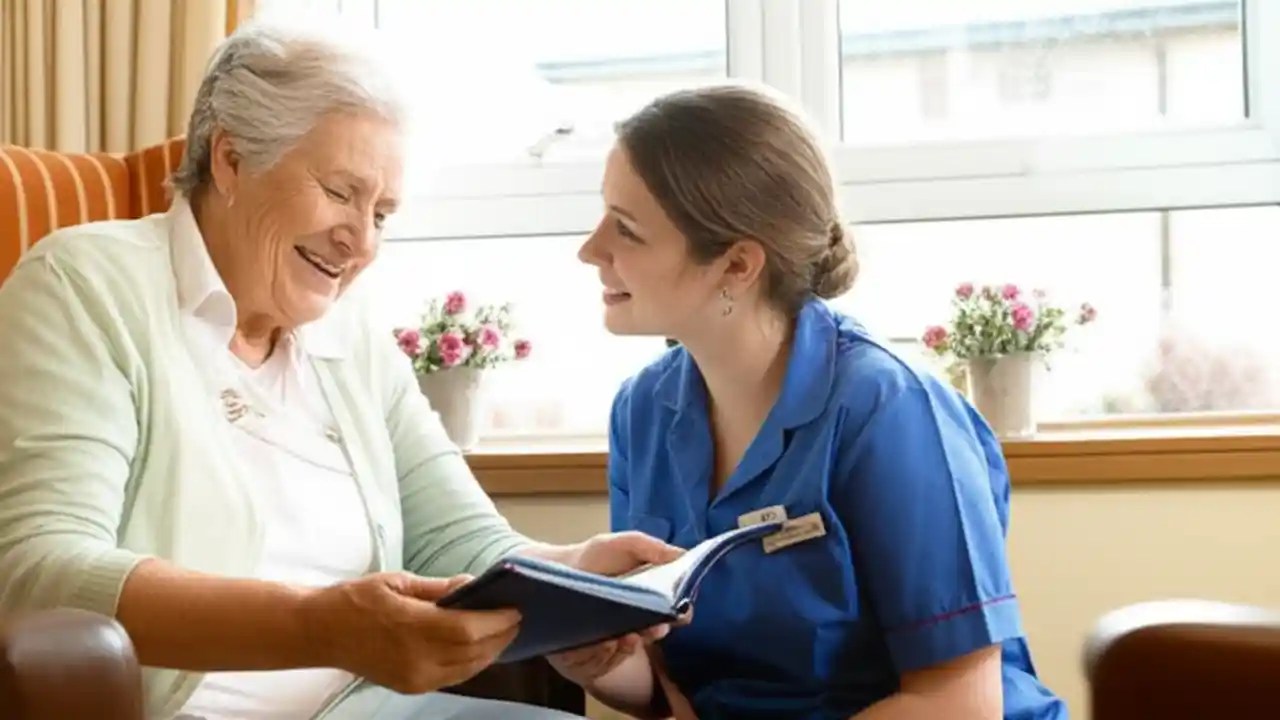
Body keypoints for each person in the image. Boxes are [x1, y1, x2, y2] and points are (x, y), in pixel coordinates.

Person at [0, 22, 681, 720]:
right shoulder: (86, 285)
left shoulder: (349, 332)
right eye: (339, 192)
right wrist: (319, 626)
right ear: (231, 159)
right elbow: (41, 572)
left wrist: (575, 575)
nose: (360, 242)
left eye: (381, 212)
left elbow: (460, 540)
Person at [560, 84, 1070, 719]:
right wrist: (592, 657)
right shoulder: (640, 412)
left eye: (627, 230)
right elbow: (670, 689)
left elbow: (958, 702)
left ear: (737, 265)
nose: (590, 249)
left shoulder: (890, 410)